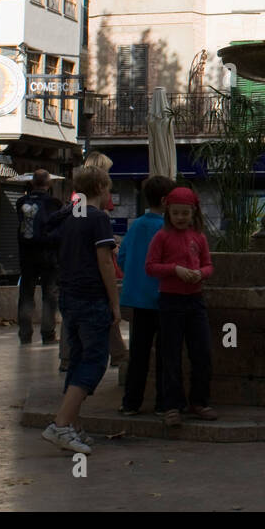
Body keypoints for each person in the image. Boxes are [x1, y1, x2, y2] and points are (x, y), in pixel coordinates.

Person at [41, 166, 120, 455]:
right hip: (91, 296)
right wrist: (114, 303)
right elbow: (105, 263)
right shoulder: (98, 219)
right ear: (101, 186)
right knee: (95, 361)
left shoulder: (69, 216)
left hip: (68, 294)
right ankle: (61, 424)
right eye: (109, 187)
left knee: (76, 359)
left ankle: (72, 425)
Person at [146, 186, 216, 425]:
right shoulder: (161, 237)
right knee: (170, 355)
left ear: (192, 213)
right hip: (170, 300)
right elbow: (151, 266)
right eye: (176, 213)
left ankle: (200, 400)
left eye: (185, 214)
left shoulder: (199, 237)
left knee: (202, 352)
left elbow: (208, 265)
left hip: (195, 300)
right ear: (169, 213)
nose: (180, 218)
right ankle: (171, 404)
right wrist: (174, 270)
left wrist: (200, 273)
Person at [116, 176, 175, 416]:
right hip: (164, 297)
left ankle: (131, 402)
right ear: (164, 200)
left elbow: (122, 258)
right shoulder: (168, 229)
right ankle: (163, 402)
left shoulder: (137, 225)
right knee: (165, 353)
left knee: (138, 353)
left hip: (137, 299)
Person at [16, 169, 63, 345]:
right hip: (48, 256)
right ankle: (48, 333)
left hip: (26, 255)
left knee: (26, 294)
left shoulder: (20, 202)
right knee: (49, 295)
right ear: (48, 183)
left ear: (32, 182)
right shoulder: (53, 203)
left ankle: (25, 333)